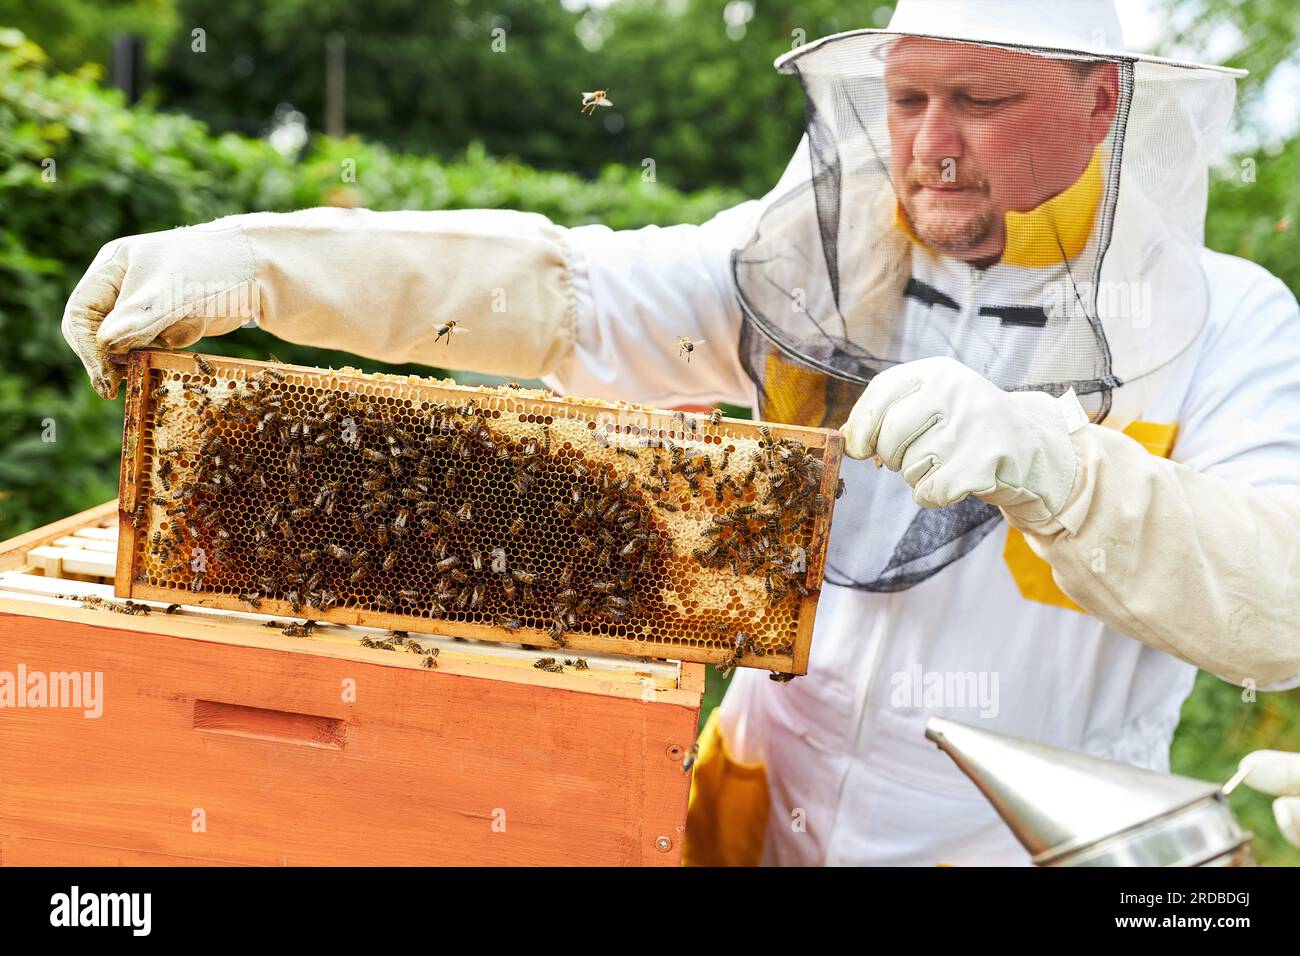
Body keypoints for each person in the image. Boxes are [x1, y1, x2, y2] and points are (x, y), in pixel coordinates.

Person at [61, 0, 1300, 865]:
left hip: (1014, 839)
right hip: (744, 821)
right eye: (908, 96)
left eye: (979, 101)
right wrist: (264, 261)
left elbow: (1280, 607)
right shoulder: (816, 261)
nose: (930, 144)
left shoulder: (1224, 321)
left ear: (1100, 105)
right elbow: (567, 291)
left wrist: (1063, 470)